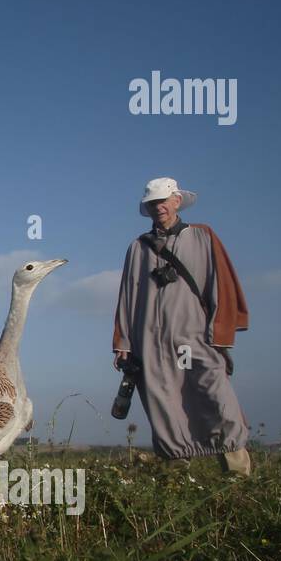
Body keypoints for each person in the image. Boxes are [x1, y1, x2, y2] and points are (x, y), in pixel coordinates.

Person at [112, 177, 252, 475]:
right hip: (150, 340)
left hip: (196, 335)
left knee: (216, 395)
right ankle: (176, 475)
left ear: (177, 201)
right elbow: (128, 295)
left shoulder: (203, 237)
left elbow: (220, 284)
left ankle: (237, 471)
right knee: (163, 401)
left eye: (163, 200)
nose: (158, 207)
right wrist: (124, 343)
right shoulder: (138, 248)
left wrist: (221, 333)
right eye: (152, 203)